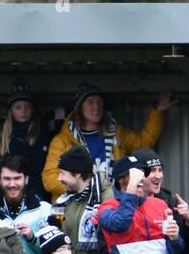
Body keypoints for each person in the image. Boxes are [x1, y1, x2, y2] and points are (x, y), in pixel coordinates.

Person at [41, 82, 175, 199]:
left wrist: (158, 111)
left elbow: (142, 143)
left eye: (99, 102)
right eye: (90, 102)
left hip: (112, 203)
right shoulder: (62, 141)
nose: (96, 106)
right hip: (74, 206)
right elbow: (49, 179)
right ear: (80, 108)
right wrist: (83, 189)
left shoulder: (115, 132)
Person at [49, 147, 111, 254]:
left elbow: (113, 244)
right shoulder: (63, 200)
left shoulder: (106, 199)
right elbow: (55, 233)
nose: (59, 178)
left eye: (63, 173)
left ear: (77, 174)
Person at [0, 79, 52, 202]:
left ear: (33, 109)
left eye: (27, 107)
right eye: (18, 107)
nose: (23, 111)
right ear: (11, 110)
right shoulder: (6, 131)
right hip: (10, 189)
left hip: (35, 189)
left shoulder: (40, 131)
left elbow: (39, 170)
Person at [0, 154, 52, 254]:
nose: (12, 184)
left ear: (26, 179)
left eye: (17, 178)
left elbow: (57, 253)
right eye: (7, 179)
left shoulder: (45, 209)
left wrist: (33, 238)